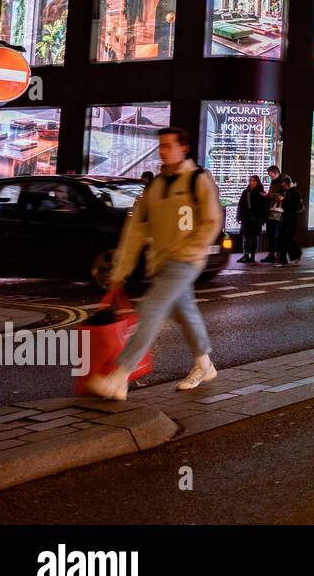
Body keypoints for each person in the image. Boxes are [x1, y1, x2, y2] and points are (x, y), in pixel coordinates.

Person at [85, 127, 223, 400]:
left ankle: (119, 376)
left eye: (169, 146)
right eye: (160, 146)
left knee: (151, 309)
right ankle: (204, 364)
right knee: (186, 314)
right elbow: (135, 231)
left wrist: (191, 249)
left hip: (185, 261)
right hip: (161, 262)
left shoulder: (197, 179)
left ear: (183, 148)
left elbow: (212, 220)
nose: (163, 151)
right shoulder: (155, 187)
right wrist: (120, 271)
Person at [236, 175, 267, 263]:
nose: (252, 182)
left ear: (257, 182)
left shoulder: (261, 193)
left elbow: (264, 207)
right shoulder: (246, 192)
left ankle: (252, 256)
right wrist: (239, 216)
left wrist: (262, 219)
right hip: (246, 219)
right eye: (250, 181)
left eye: (254, 181)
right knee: (245, 237)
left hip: (256, 220)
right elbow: (241, 205)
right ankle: (246, 255)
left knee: (254, 238)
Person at [275, 176, 303, 266]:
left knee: (288, 238)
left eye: (285, 184)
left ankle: (295, 254)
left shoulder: (295, 193)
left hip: (291, 218)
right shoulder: (284, 192)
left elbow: (296, 206)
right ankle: (282, 259)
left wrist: (285, 199)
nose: (283, 186)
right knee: (282, 238)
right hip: (284, 217)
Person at [261, 165, 282, 263]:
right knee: (271, 233)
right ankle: (272, 253)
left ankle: (277, 254)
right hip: (272, 211)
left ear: (276, 172)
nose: (270, 177)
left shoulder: (282, 182)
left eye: (271, 175)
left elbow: (281, 196)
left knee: (276, 234)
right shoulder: (274, 182)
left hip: (278, 212)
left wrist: (268, 195)